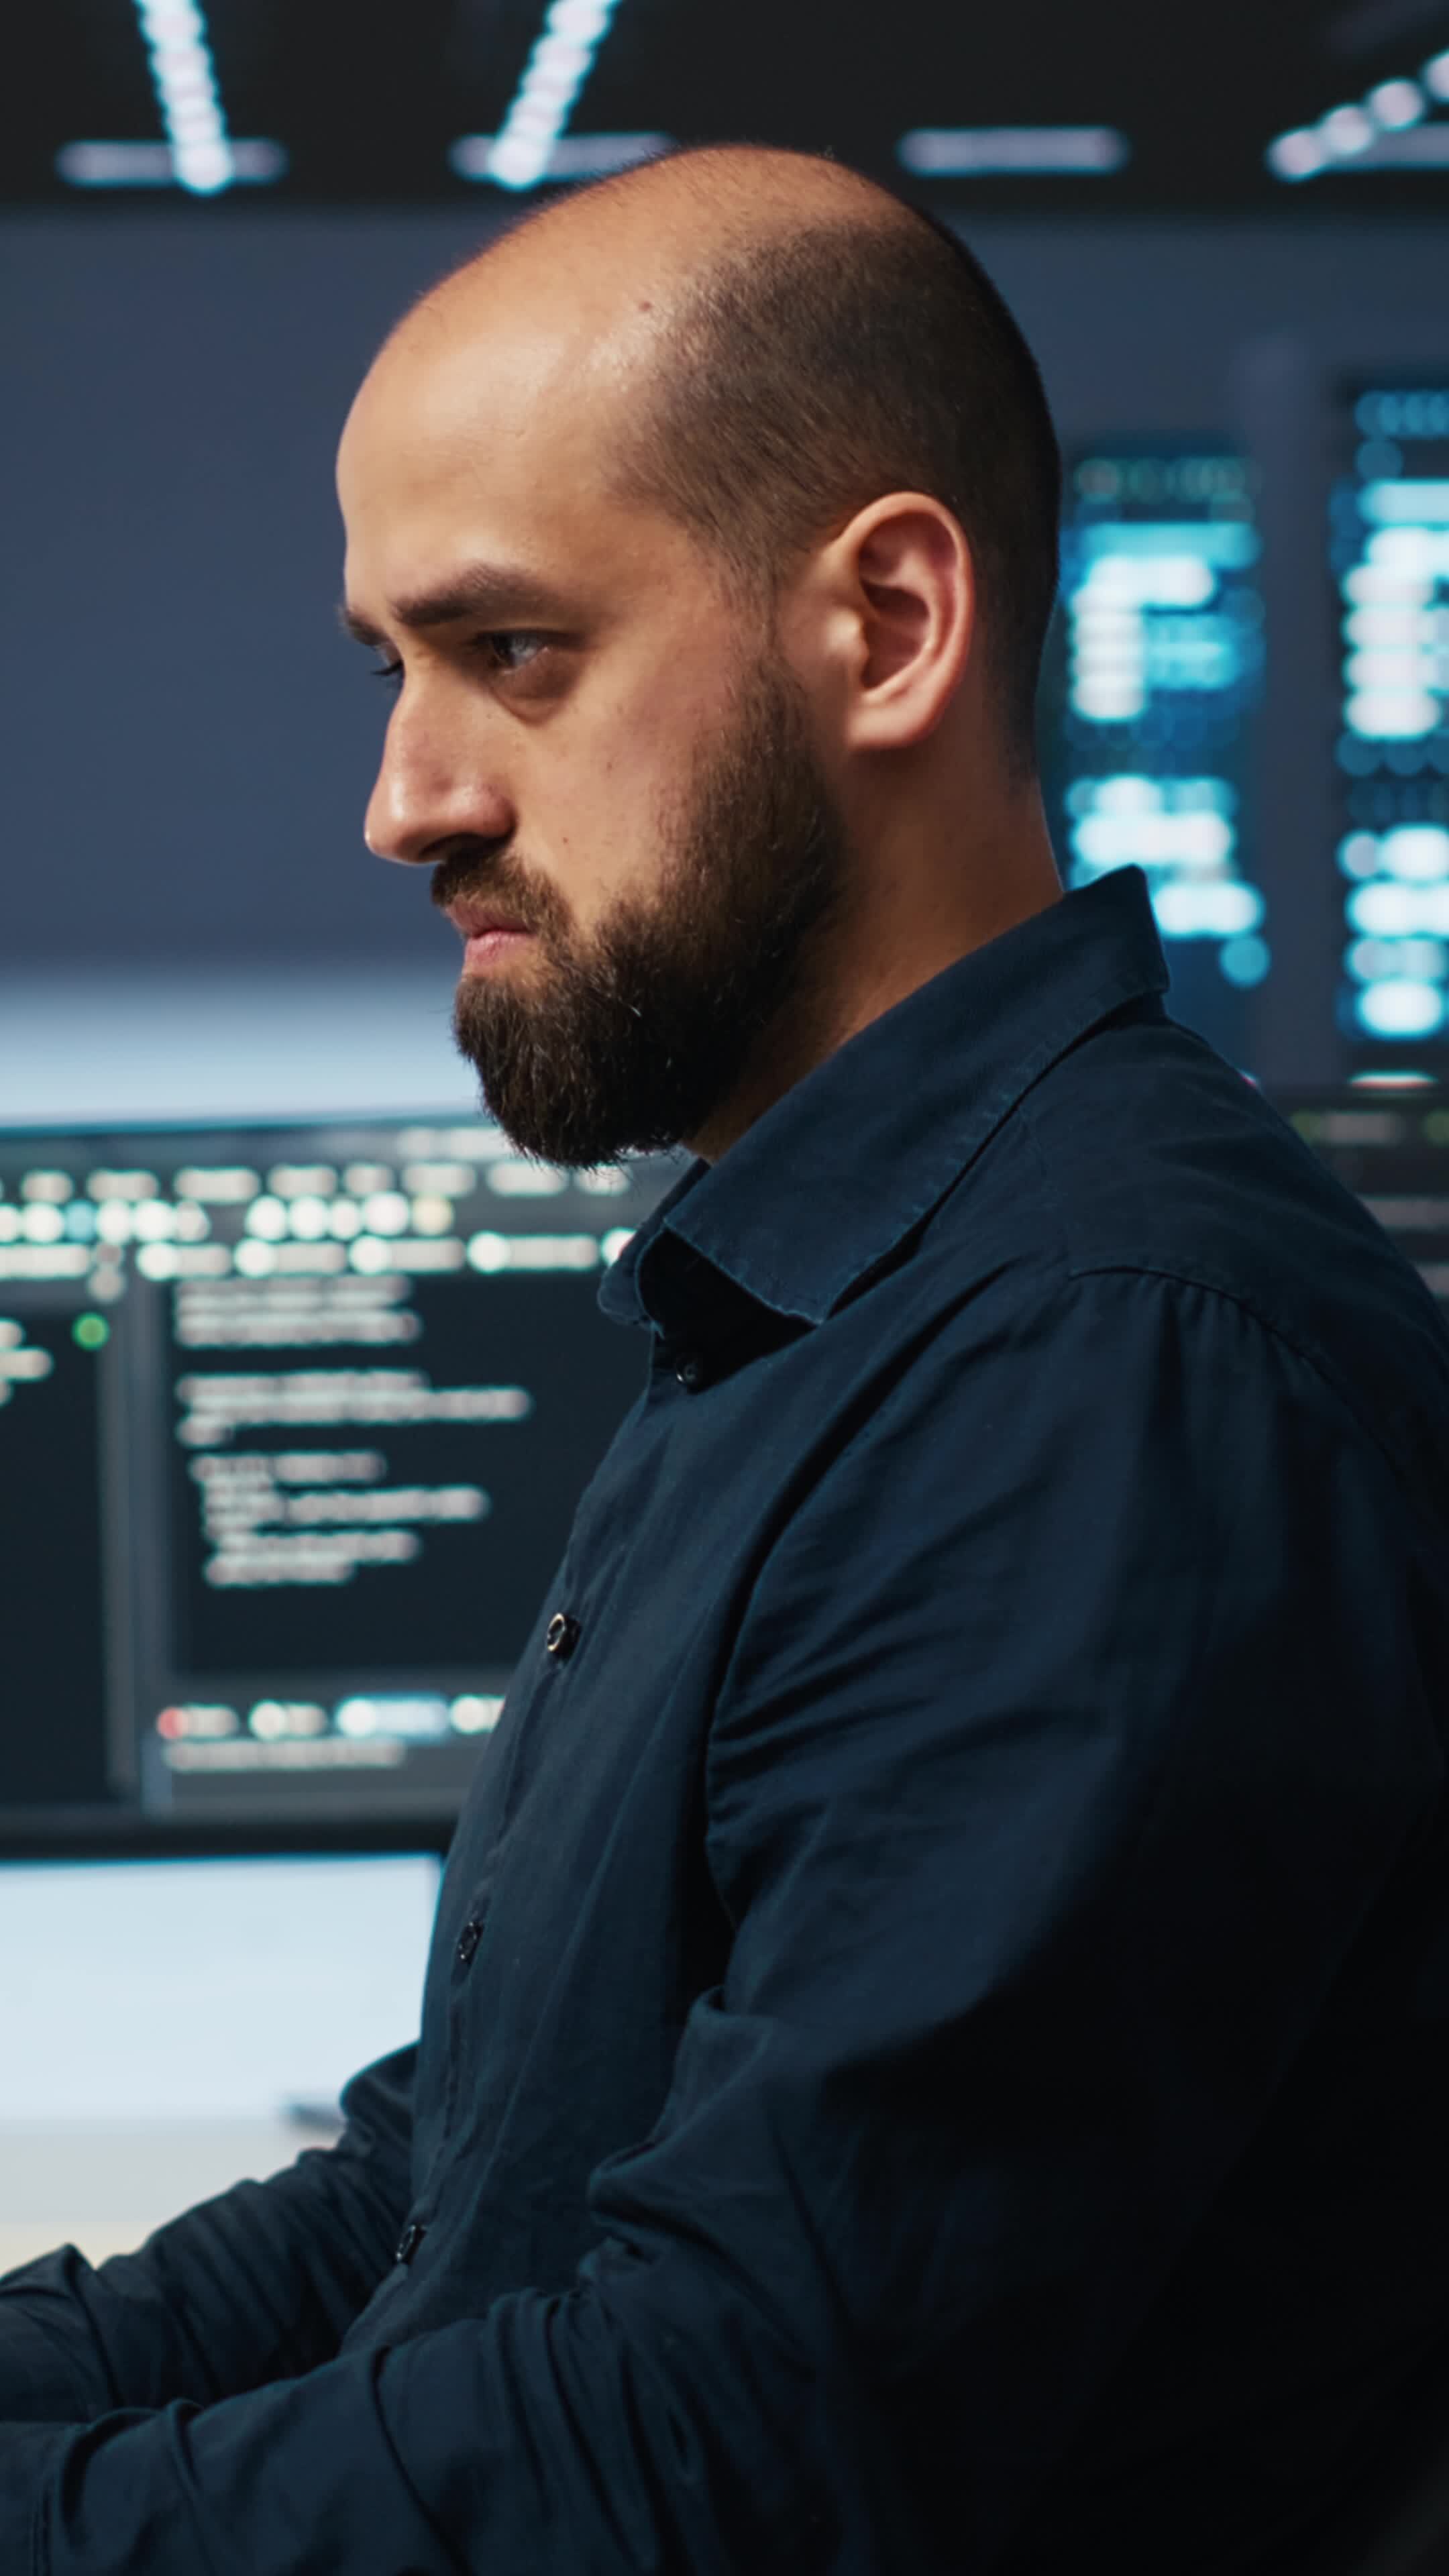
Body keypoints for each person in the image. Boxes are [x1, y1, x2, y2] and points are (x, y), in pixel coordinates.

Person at [2, 142, 1449, 2576]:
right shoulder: (836, 1291)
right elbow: (454, 2185)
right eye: (391, 671)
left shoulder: (1099, 1370)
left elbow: (711, 2454)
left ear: (887, 626)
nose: (405, 804)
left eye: (514, 652)